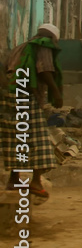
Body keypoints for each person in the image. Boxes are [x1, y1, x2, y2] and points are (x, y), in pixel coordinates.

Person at [2, 23, 64, 203]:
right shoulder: (43, 46)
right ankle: (36, 181)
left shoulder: (20, 47)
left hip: (9, 97)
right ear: (53, 38)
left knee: (17, 138)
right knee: (40, 140)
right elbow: (44, 70)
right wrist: (56, 93)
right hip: (25, 97)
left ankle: (14, 180)